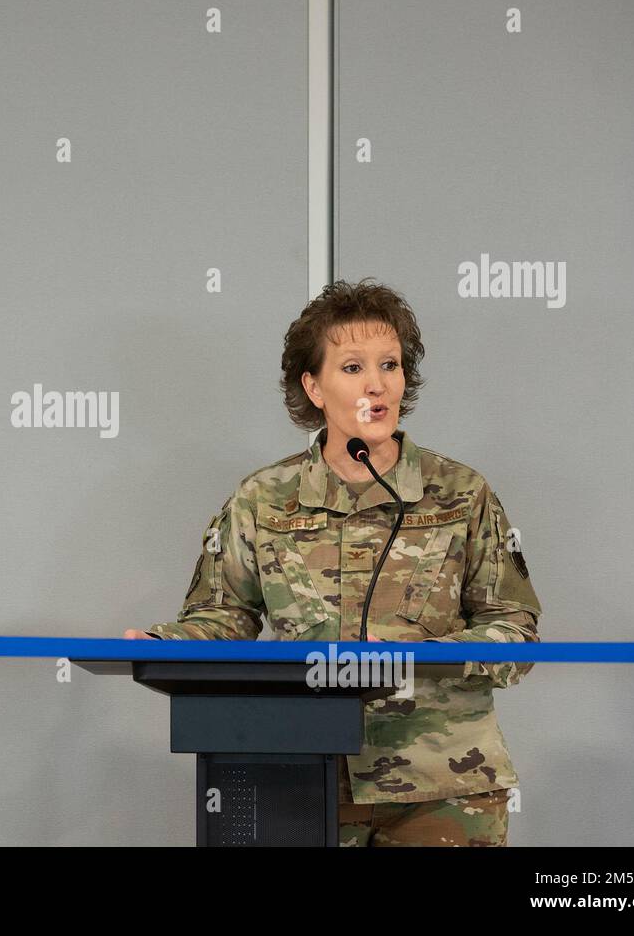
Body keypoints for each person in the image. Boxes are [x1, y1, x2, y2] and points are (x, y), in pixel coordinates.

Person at [123, 278, 541, 846]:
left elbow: (514, 628)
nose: (376, 384)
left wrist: (424, 658)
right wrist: (163, 645)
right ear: (313, 386)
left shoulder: (462, 493)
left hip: (443, 785)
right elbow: (223, 619)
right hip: (303, 775)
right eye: (352, 367)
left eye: (390, 365)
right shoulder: (262, 499)